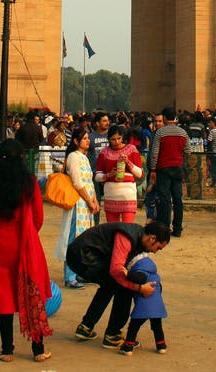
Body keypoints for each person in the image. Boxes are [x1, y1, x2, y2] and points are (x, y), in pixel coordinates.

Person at [0, 139, 53, 363]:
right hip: (27, 242)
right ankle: (38, 349)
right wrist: (30, 232)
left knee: (4, 296)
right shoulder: (30, 182)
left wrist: (0, 231)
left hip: (2, 244)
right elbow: (38, 217)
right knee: (32, 291)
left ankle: (7, 350)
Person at [68, 220, 170, 349]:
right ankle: (113, 334)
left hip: (83, 254)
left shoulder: (138, 238)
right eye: (158, 248)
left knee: (109, 285)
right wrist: (138, 288)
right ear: (152, 239)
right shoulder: (127, 237)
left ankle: (86, 327)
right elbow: (116, 270)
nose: (155, 252)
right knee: (122, 286)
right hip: (82, 256)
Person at [54, 126, 99, 289]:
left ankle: (80, 272)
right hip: (77, 204)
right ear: (76, 141)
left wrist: (94, 200)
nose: (88, 140)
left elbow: (90, 182)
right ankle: (70, 276)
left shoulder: (84, 158)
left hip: (86, 204)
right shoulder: (73, 157)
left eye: (88, 138)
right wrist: (89, 200)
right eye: (85, 138)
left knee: (84, 239)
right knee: (73, 240)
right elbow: (78, 182)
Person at [148, 108, 190, 238]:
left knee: (164, 199)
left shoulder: (160, 133)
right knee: (178, 199)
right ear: (175, 118)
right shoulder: (183, 133)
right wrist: (182, 161)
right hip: (178, 167)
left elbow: (155, 153)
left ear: (165, 118)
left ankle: (164, 228)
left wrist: (153, 169)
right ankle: (177, 228)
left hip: (163, 168)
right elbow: (188, 151)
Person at [118, 250, 168, 355]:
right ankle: (161, 345)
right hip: (157, 304)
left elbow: (140, 278)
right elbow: (160, 288)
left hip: (144, 304)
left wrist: (128, 274)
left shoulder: (140, 269)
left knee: (134, 325)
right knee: (157, 325)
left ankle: (128, 346)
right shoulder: (152, 271)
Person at [95, 124, 143, 222]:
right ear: (108, 139)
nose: (116, 142)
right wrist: (108, 175)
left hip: (128, 196)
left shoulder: (132, 149)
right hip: (111, 195)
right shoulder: (104, 152)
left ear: (122, 137)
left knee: (127, 229)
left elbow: (139, 174)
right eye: (113, 139)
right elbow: (97, 176)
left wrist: (128, 163)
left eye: (119, 138)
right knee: (112, 230)